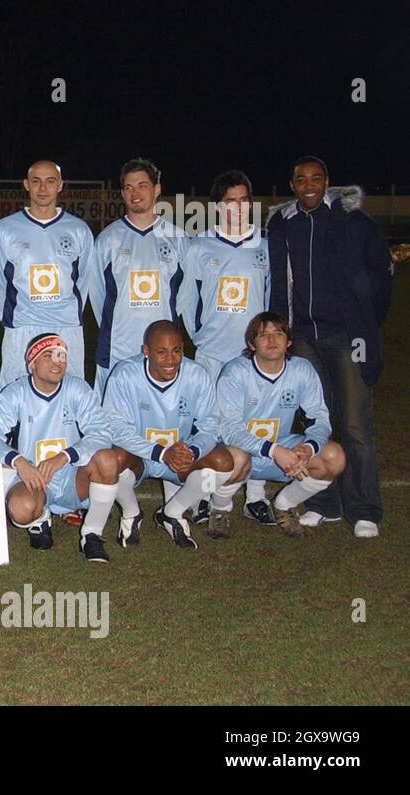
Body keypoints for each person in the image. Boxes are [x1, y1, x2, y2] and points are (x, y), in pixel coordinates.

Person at [266, 156, 393, 539]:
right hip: (303, 337)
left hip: (346, 337)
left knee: (354, 423)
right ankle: (325, 504)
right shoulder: (282, 225)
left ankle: (364, 508)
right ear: (292, 184)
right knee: (313, 421)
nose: (309, 184)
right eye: (301, 178)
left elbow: (382, 276)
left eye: (316, 178)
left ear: (327, 182)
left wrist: (365, 322)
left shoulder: (354, 221)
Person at [178, 169, 271, 526]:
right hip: (213, 353)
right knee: (209, 425)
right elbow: (188, 300)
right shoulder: (200, 245)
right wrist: (200, 336)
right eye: (229, 201)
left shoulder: (265, 244)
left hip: (254, 356)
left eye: (244, 200)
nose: (237, 207)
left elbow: (272, 297)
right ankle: (203, 495)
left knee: (257, 422)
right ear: (217, 206)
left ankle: (256, 496)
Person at [0, 333, 119, 563]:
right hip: (33, 477)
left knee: (108, 460)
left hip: (72, 475)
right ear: (31, 363)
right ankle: (41, 518)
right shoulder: (16, 393)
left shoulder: (77, 389)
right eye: (48, 355)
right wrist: (19, 462)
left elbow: (102, 431)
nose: (57, 361)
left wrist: (65, 456)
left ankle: (92, 533)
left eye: (61, 356)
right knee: (21, 510)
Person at [104, 320, 243, 547]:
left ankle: (172, 512)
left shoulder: (196, 375)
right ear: (146, 351)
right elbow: (115, 428)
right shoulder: (125, 375)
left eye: (176, 351)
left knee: (224, 462)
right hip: (139, 455)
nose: (171, 360)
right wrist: (160, 453)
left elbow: (210, 425)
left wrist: (192, 450)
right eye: (162, 352)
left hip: (181, 456)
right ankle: (131, 513)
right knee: (110, 461)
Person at [211, 312, 347, 537]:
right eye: (263, 335)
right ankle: (220, 510)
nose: (272, 340)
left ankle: (284, 505)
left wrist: (308, 448)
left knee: (334, 456)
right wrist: (275, 451)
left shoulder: (301, 370)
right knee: (235, 458)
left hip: (281, 449)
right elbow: (229, 429)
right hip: (242, 453)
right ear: (251, 344)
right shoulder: (235, 372)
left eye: (278, 333)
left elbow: (319, 418)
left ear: (289, 341)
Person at [0, 160, 96, 391]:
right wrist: (13, 317)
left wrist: (68, 312)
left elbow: (86, 280)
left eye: (50, 181)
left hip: (66, 328)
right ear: (26, 185)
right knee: (15, 396)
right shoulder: (6, 229)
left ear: (60, 185)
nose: (42, 188)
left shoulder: (78, 230)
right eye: (36, 181)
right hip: (22, 328)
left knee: (68, 396)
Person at [87, 158, 187, 393]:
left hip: (163, 352)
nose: (135, 193)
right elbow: (96, 294)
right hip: (117, 349)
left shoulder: (177, 238)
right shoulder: (108, 239)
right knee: (112, 422)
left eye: (142, 185)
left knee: (160, 420)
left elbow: (184, 296)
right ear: (122, 194)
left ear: (157, 189)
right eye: (129, 187)